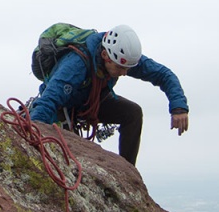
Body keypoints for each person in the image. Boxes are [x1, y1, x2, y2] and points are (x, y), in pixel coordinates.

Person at [28, 24, 189, 166]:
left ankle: (127, 170)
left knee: (132, 113)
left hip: (92, 99)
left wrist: (179, 107)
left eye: (126, 68)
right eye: (120, 68)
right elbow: (50, 99)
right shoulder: (75, 65)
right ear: (105, 56)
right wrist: (32, 133)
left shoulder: (122, 57)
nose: (124, 73)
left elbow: (164, 75)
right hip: (64, 106)